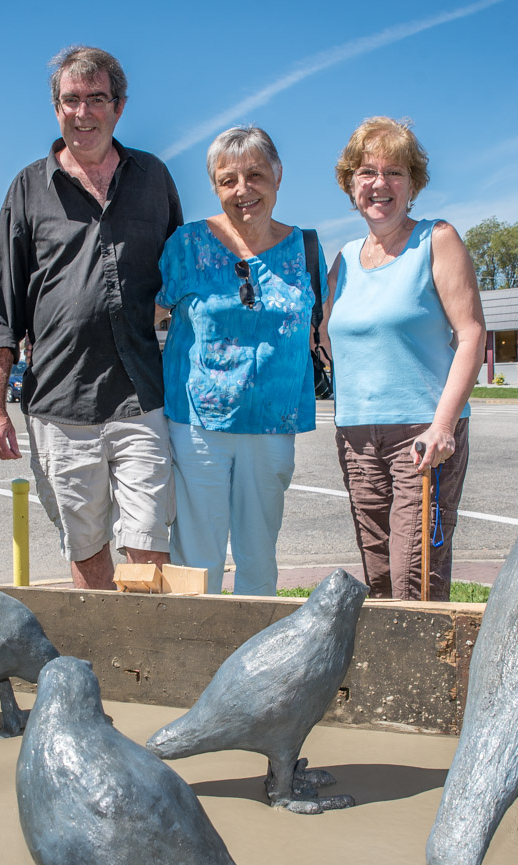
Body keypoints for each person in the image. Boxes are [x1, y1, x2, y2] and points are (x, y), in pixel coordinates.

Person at [0, 46, 183, 590]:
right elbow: (4, 310)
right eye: (71, 100)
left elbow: (184, 283)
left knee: (148, 547)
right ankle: (103, 669)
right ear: (56, 109)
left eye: (97, 98)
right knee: (87, 549)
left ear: (119, 107)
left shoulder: (153, 178)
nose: (83, 112)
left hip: (142, 395)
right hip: (59, 405)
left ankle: (146, 662)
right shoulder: (27, 189)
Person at [155, 126, 325, 595]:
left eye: (255, 174)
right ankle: (195, 653)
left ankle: (254, 660)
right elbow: (142, 315)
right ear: (214, 186)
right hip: (196, 423)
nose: (243, 190)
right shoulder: (186, 245)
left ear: (278, 175)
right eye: (228, 180)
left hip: (274, 424)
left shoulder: (306, 248)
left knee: (258, 556)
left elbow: (326, 327)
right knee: (196, 555)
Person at [323, 117, 486, 600]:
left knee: (415, 579)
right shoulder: (344, 260)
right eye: (366, 172)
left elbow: (472, 334)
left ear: (412, 184)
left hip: (423, 436)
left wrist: (443, 425)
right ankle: (388, 674)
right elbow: (330, 341)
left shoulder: (437, 239)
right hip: (356, 436)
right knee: (376, 578)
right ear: (351, 185)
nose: (379, 184)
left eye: (394, 172)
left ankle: (430, 676)